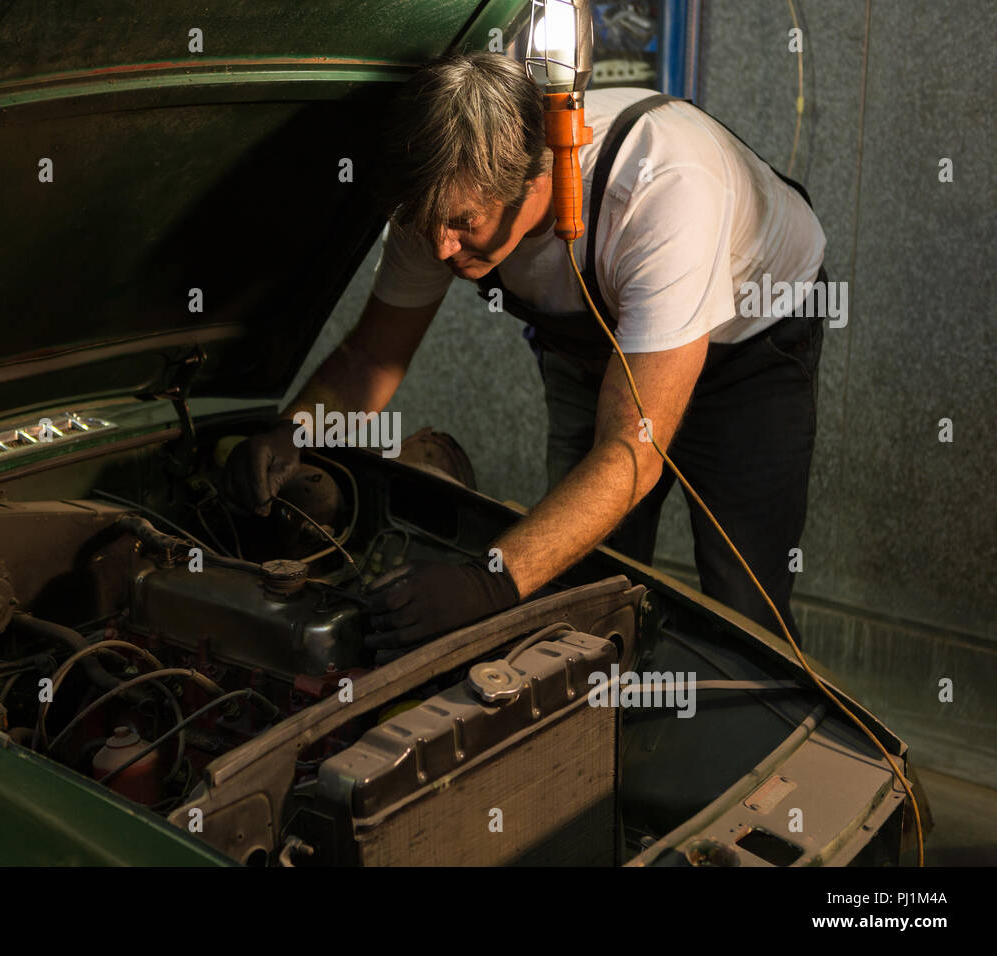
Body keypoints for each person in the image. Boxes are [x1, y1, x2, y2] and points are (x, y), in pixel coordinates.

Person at [223, 52, 827, 656]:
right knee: (586, 576)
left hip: (752, 345)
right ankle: (600, 726)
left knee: (745, 597)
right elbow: (370, 359)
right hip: (593, 343)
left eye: (463, 223)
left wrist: (488, 581)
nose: (440, 248)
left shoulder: (659, 192)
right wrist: (292, 434)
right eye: (427, 222)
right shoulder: (438, 201)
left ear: (537, 177)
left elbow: (632, 451)